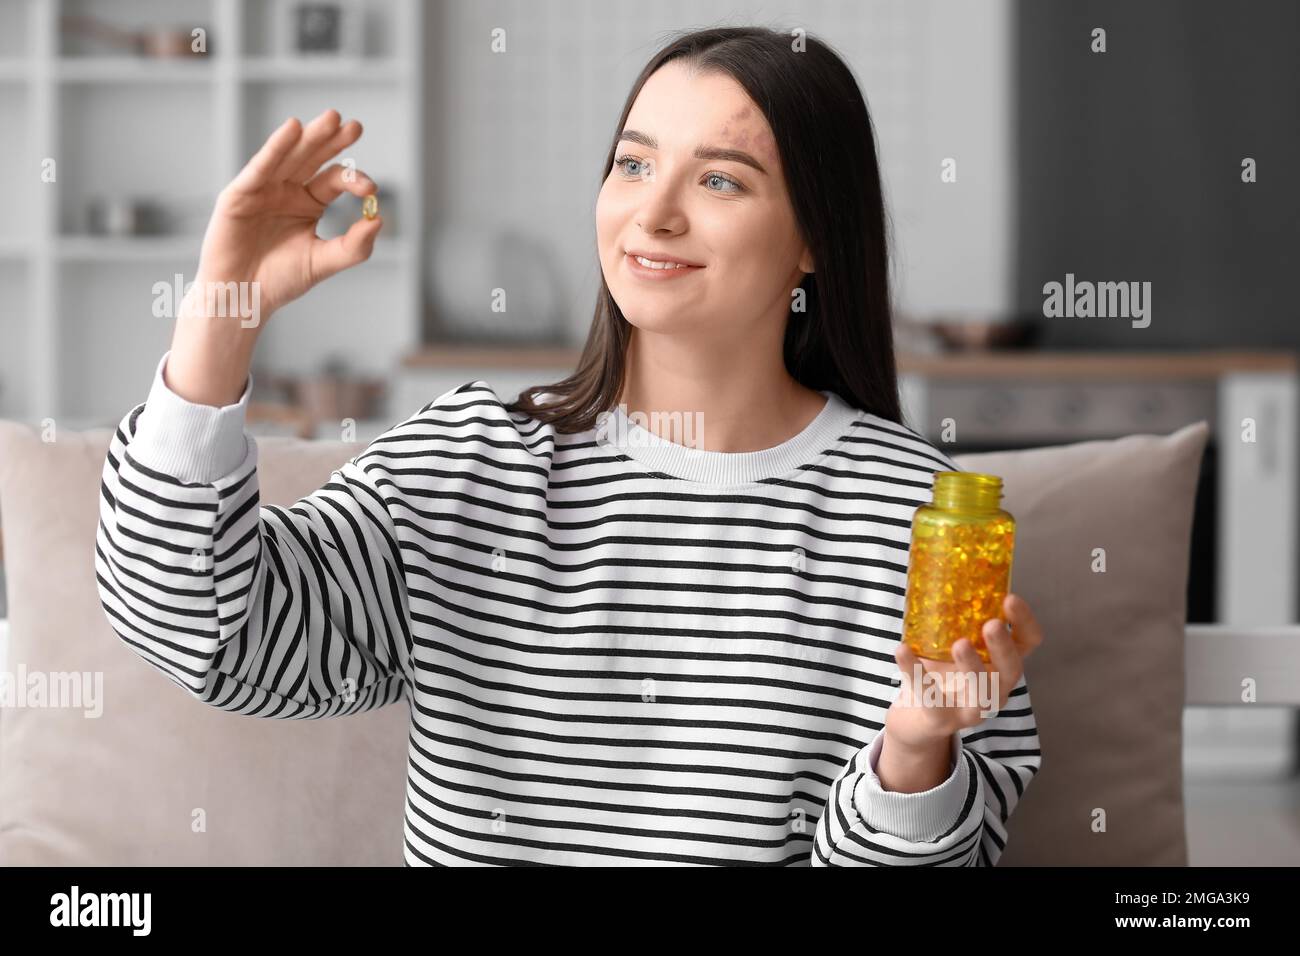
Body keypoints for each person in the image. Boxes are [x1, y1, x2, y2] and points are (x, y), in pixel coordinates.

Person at [96, 26, 1043, 866]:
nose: (653, 213)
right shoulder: (473, 461)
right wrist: (225, 307)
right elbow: (210, 637)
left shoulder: (917, 515)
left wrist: (916, 751)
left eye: (720, 180)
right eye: (633, 165)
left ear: (814, 240)